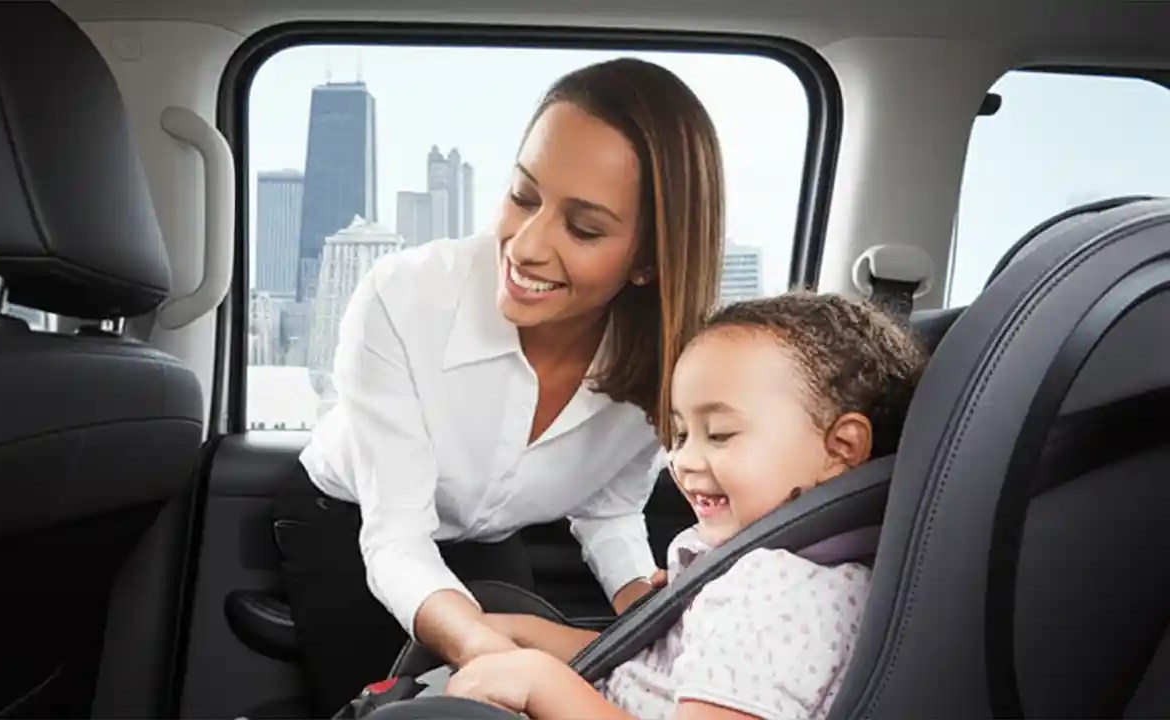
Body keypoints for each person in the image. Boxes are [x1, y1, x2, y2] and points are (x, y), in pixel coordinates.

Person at [273, 56, 726, 715]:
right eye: (523, 196)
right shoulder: (406, 297)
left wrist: (642, 609)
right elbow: (397, 537)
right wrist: (487, 651)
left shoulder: (670, 365)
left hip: (489, 535)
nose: (526, 245)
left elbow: (610, 508)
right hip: (350, 518)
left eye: (584, 227)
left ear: (650, 261)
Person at [443, 292, 929, 720]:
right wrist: (529, 635)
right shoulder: (775, 568)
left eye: (719, 434)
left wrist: (539, 681)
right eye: (679, 434)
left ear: (840, 448)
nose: (685, 459)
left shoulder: (777, 592)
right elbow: (656, 670)